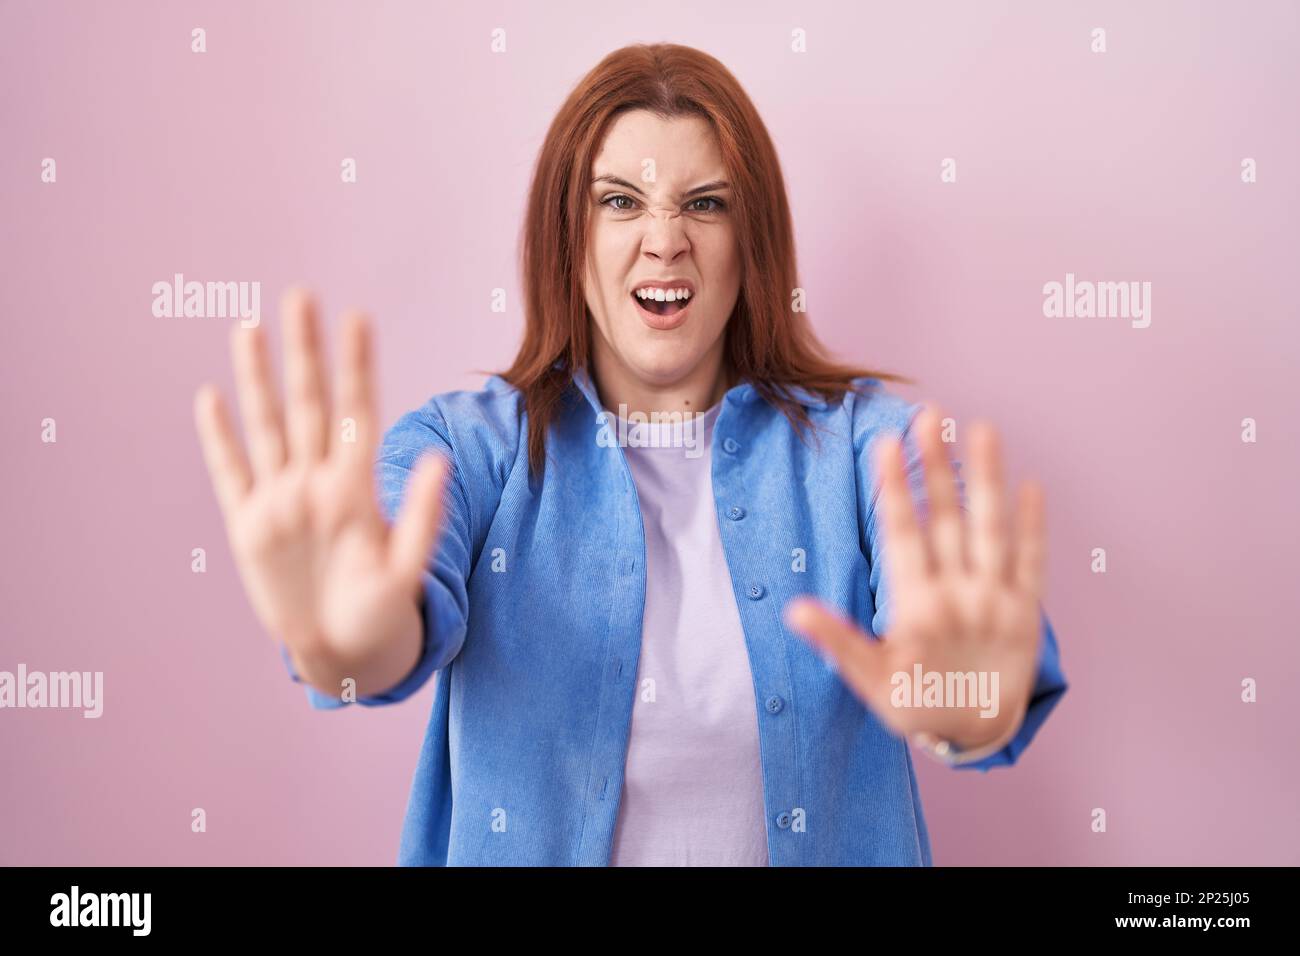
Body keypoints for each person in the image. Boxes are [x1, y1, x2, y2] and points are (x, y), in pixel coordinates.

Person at [193, 43, 1066, 866]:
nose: (664, 239)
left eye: (706, 202)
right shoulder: (461, 449)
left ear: (750, 244)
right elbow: (380, 620)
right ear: (565, 239)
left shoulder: (876, 449)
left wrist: (963, 698)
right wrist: (347, 641)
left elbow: (969, 687)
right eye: (620, 201)